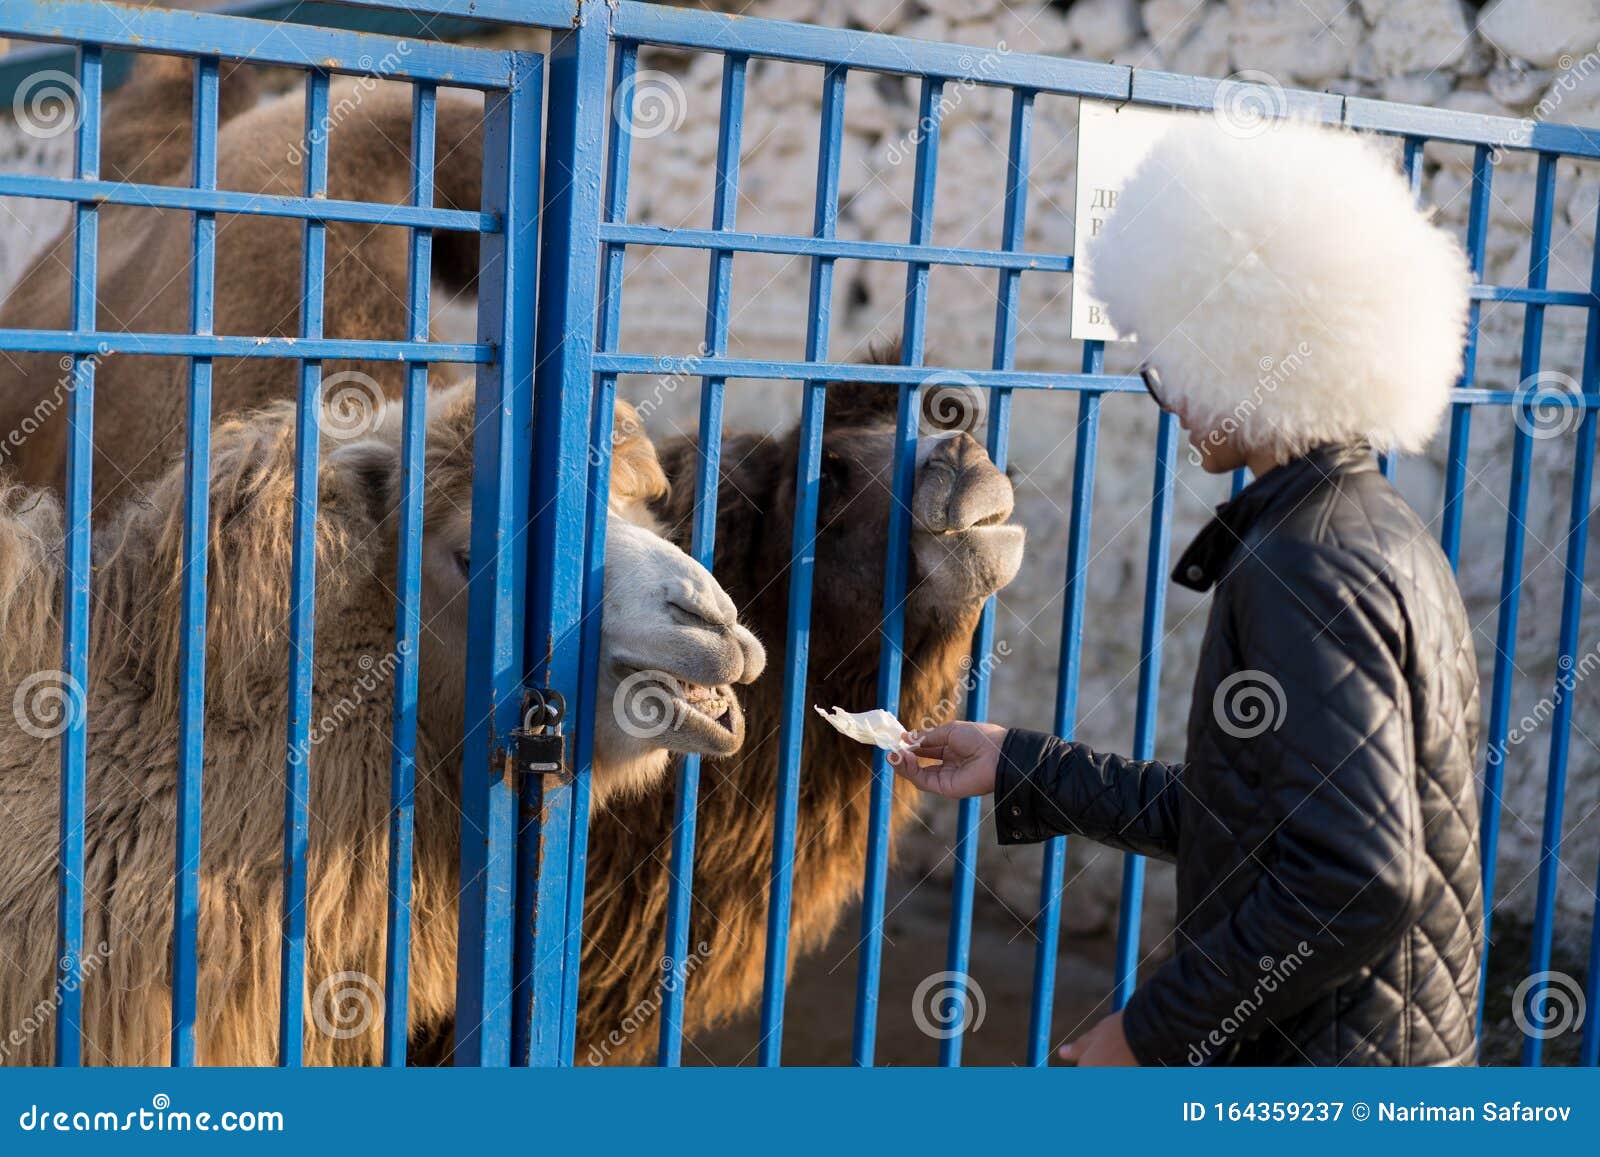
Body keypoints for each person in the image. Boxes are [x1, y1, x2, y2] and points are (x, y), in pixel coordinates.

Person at [891, 114, 1483, 1066]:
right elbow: (1255, 816)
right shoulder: (1379, 528)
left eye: (1169, 359)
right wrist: (1020, 764)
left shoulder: (1304, 562)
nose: (1164, 395)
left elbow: (1356, 877)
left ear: (1244, 348)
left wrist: (1151, 1033)